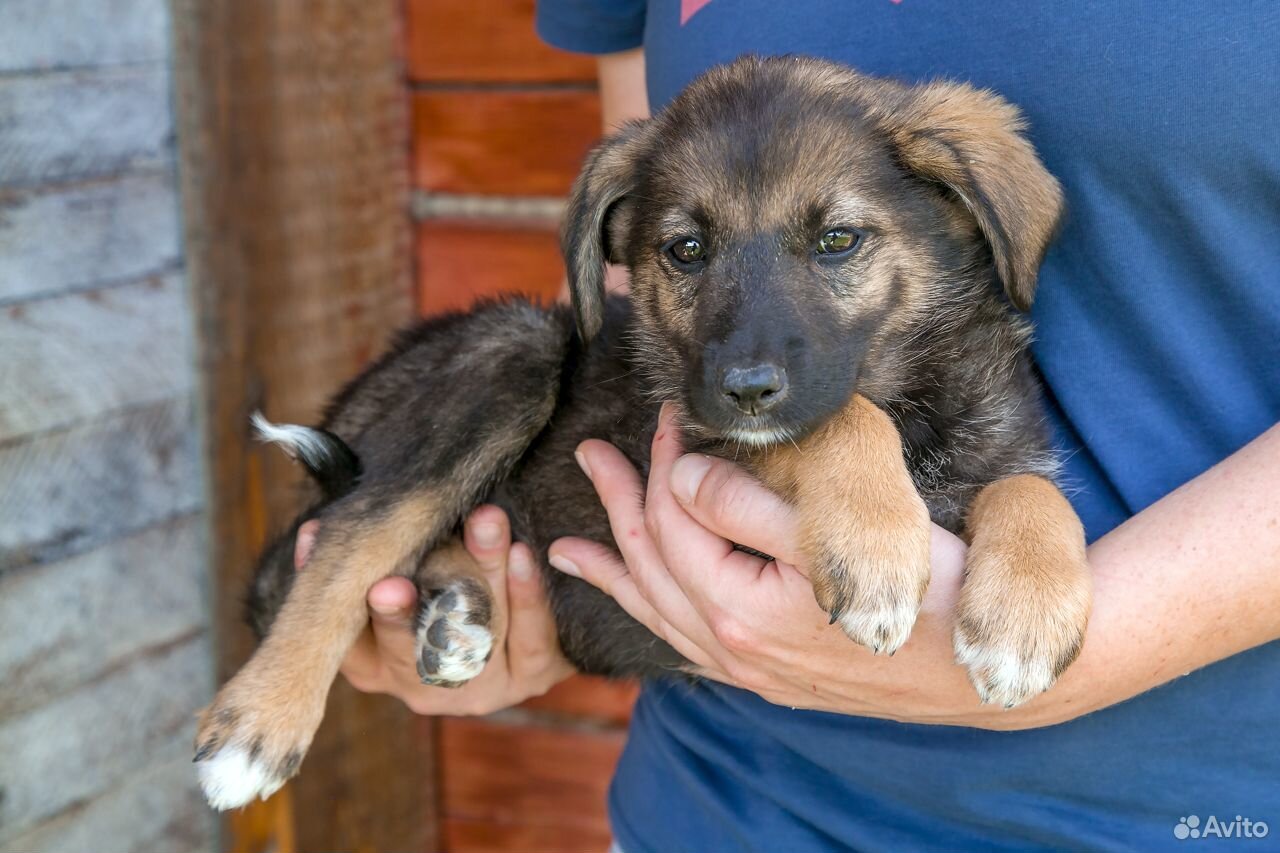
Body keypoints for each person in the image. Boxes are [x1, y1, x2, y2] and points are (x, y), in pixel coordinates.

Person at [300, 3, 1280, 849]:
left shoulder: (954, 181)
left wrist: (1085, 655)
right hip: (725, 809)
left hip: (1184, 812)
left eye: (839, 240)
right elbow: (648, 289)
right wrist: (561, 597)